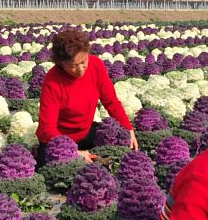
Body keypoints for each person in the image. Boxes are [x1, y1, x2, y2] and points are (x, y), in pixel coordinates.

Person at [36, 27, 137, 163]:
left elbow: (111, 102)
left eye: (83, 62)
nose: (80, 69)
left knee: (120, 139)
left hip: (84, 132)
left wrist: (128, 129)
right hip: (56, 139)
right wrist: (73, 152)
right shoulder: (52, 81)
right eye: (73, 65)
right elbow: (47, 129)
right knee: (50, 168)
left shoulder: (96, 66)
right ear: (61, 64)